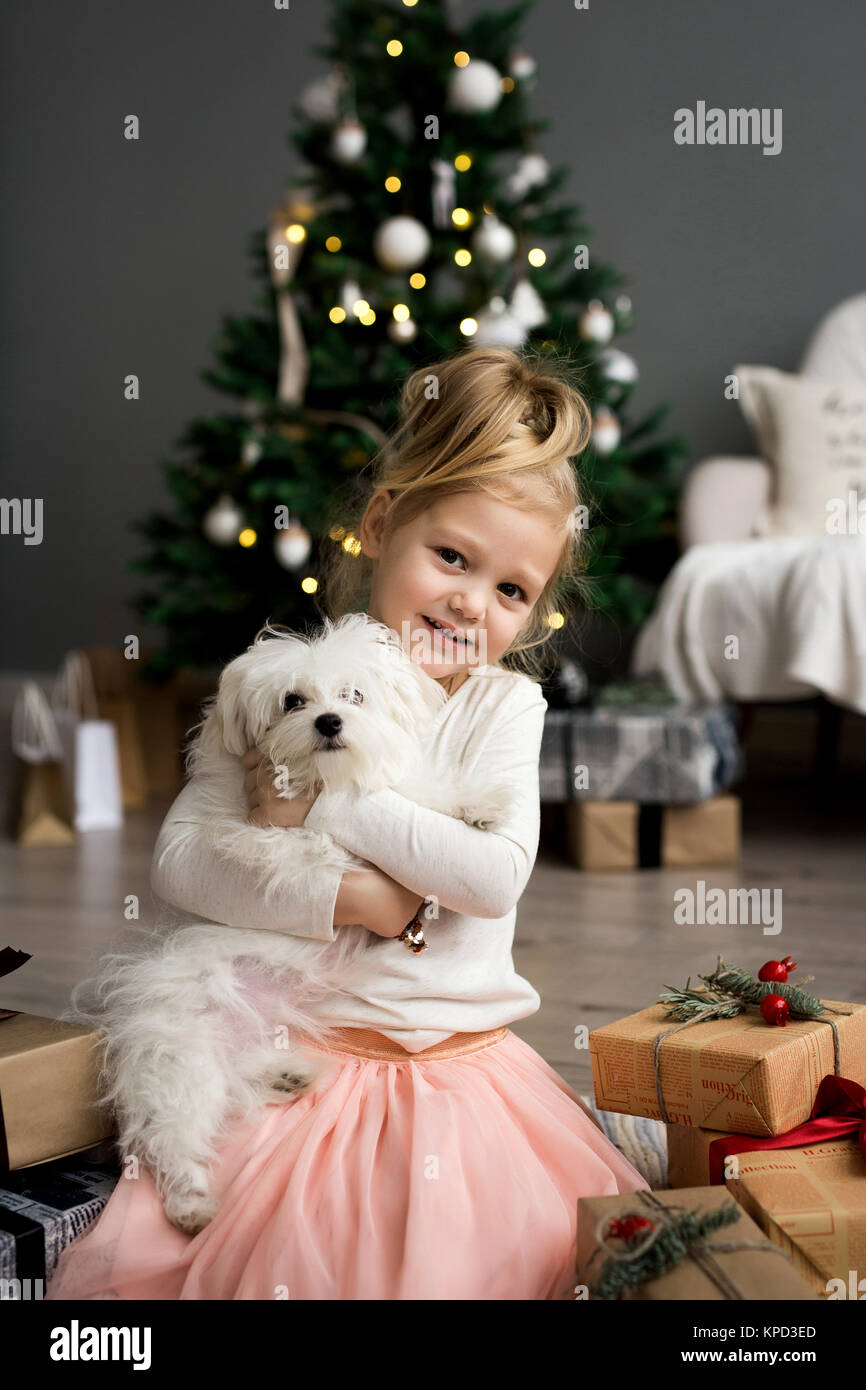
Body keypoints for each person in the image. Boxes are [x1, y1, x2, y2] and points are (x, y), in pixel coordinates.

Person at [46, 345, 649, 1302]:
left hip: (459, 1072)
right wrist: (366, 899)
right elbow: (182, 861)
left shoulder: (501, 711)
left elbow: (492, 881)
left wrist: (330, 795)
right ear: (380, 526)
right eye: (451, 556)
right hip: (310, 1055)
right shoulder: (280, 688)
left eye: (510, 591)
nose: (468, 601)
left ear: (535, 614)